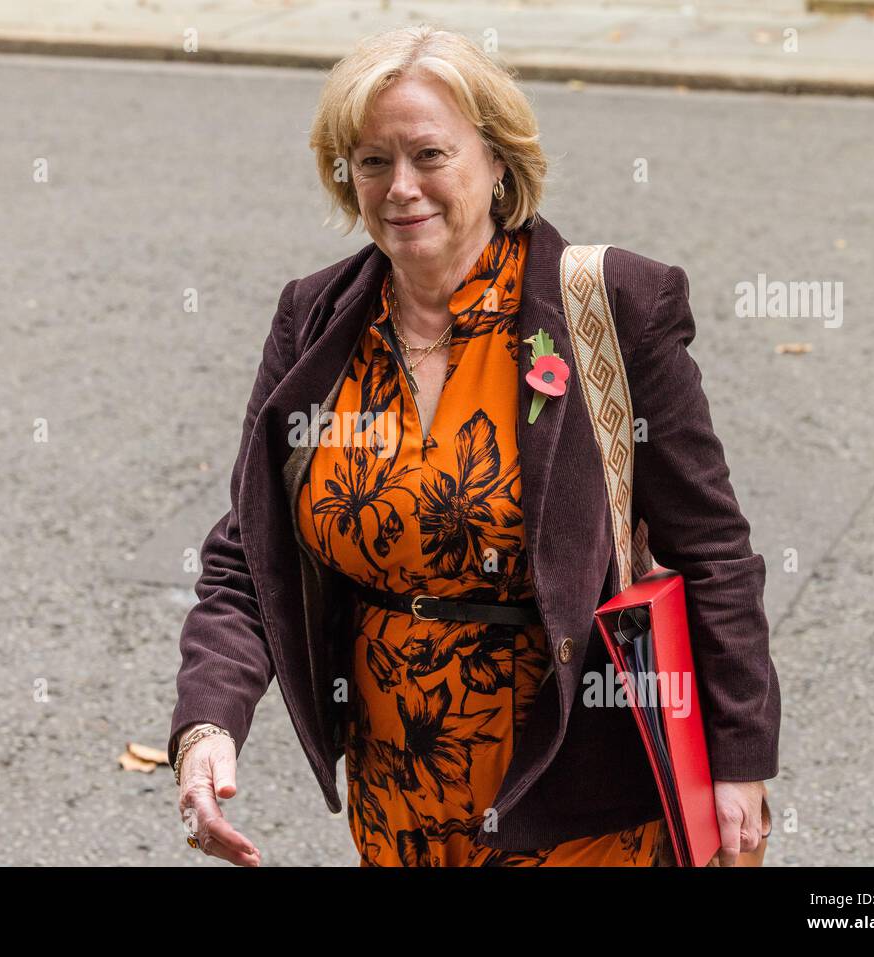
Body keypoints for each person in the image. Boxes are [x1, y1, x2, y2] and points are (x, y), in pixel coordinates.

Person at [169, 24, 779, 867]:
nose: (400, 188)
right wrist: (208, 724)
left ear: (498, 161)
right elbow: (250, 551)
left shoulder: (608, 306)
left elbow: (711, 548)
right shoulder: (315, 320)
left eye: (429, 154)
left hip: (575, 784)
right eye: (372, 161)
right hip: (400, 785)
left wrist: (738, 762)